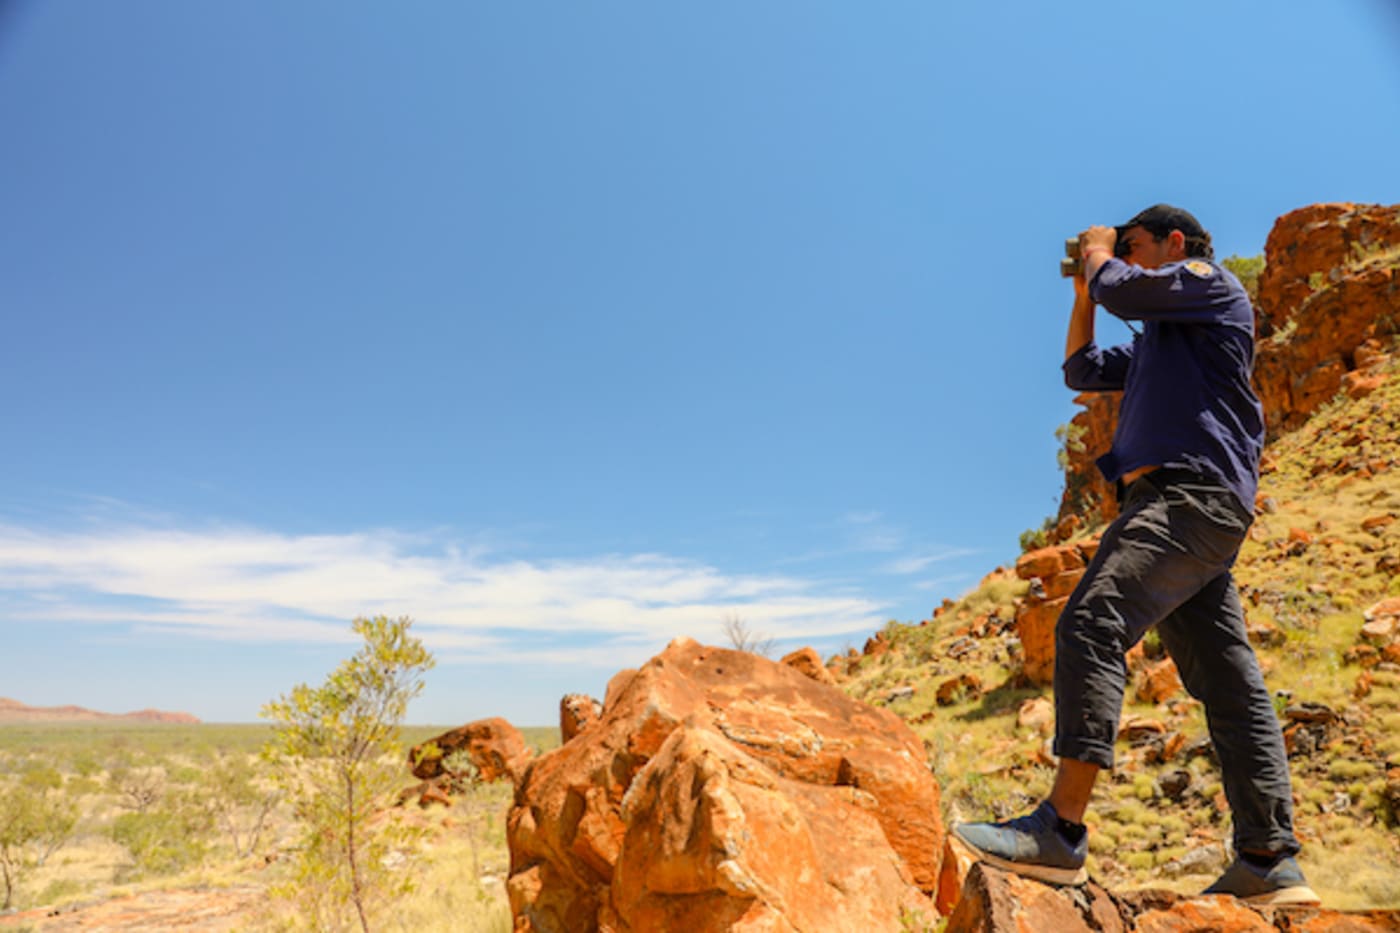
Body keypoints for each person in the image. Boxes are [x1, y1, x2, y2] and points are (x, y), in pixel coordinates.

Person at [951, 204, 1319, 905]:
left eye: (1134, 244)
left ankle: (1059, 830)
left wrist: (1097, 253)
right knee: (1227, 680)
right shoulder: (1162, 337)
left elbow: (1121, 287)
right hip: (1200, 508)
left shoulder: (1210, 285)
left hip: (1187, 496)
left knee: (1091, 622)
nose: (1122, 254)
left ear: (1175, 243)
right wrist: (1082, 295)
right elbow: (1081, 369)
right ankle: (1269, 858)